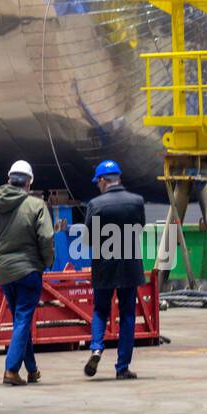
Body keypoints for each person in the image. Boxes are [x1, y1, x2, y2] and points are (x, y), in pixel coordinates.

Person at [0, 160, 54, 386]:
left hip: (4, 273)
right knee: (22, 320)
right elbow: (47, 237)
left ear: (9, 179)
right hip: (29, 270)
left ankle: (32, 370)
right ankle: (11, 370)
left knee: (21, 319)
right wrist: (46, 262)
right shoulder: (36, 205)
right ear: (29, 182)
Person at [81, 159, 147, 380]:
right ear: (118, 178)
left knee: (100, 310)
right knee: (127, 314)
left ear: (102, 180)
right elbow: (139, 228)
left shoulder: (95, 205)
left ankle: (97, 347)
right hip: (129, 265)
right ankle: (122, 367)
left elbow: (89, 238)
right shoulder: (136, 201)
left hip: (104, 266)